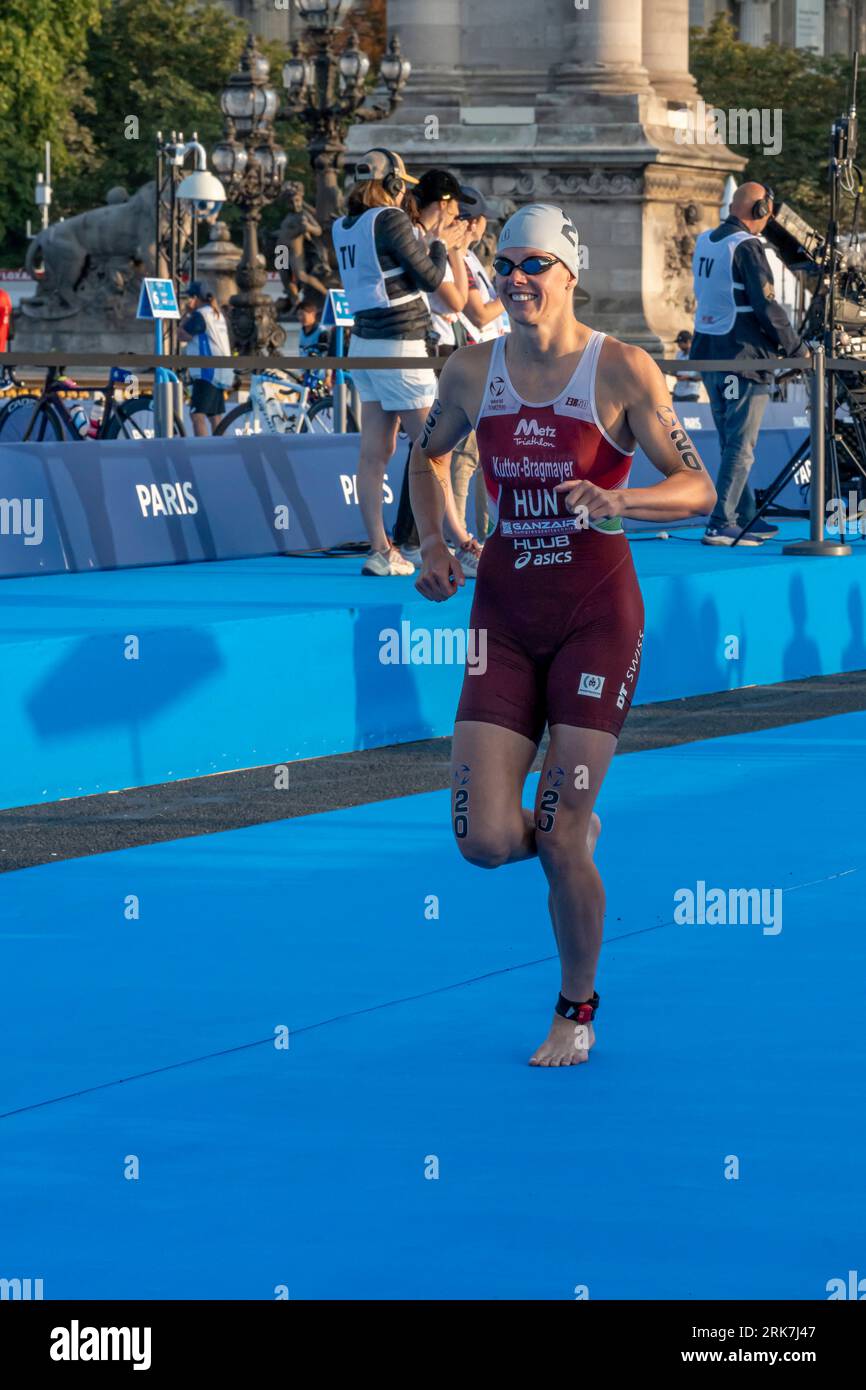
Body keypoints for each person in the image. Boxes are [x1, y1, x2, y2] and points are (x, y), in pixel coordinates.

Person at [409, 203, 715, 1067]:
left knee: (564, 828)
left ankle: (575, 1009)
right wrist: (434, 538)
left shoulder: (620, 370)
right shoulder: (474, 370)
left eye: (534, 265)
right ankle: (567, 822)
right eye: (505, 264)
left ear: (569, 274)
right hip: (503, 616)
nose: (515, 279)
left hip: (595, 618)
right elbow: (427, 458)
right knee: (487, 842)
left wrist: (623, 501)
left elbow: (696, 490)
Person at [331, 148, 479, 576]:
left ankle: (382, 548)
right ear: (395, 184)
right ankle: (460, 542)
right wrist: (440, 243)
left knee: (375, 453)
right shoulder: (389, 219)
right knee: (436, 447)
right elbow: (430, 279)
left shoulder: (343, 226)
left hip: (364, 345)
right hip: (400, 345)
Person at [691, 181, 807, 546]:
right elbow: (767, 306)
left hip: (711, 356)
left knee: (731, 442)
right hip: (743, 359)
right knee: (740, 445)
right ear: (760, 211)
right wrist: (795, 348)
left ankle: (743, 516)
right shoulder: (748, 247)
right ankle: (721, 521)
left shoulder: (705, 241)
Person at [178, 281, 234, 436]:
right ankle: (219, 450)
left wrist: (187, 314)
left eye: (189, 297)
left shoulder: (200, 314)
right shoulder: (216, 313)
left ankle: (202, 451)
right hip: (221, 371)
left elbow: (181, 335)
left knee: (197, 415)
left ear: (195, 298)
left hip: (206, 372)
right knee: (214, 415)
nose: (187, 301)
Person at [670, 329, 701, 402]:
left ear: (688, 342)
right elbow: (675, 370)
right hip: (678, 392)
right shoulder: (679, 354)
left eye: (680, 343)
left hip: (691, 393)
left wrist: (687, 377)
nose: (679, 345)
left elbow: (701, 375)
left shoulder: (697, 355)